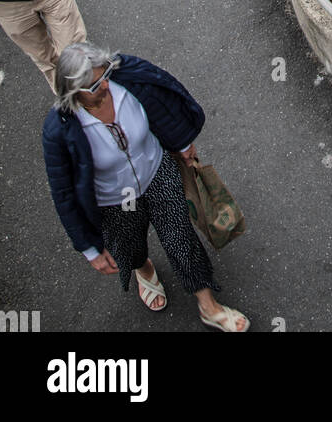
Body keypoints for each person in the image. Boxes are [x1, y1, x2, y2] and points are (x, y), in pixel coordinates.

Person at [43, 42, 249, 331]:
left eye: (105, 77)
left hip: (157, 173)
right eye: (94, 86)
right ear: (72, 91)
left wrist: (182, 143)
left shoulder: (127, 82)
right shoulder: (59, 130)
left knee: (181, 239)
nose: (104, 87)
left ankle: (209, 306)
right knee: (130, 247)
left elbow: (161, 108)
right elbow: (63, 192)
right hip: (115, 200)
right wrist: (89, 248)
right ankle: (145, 269)